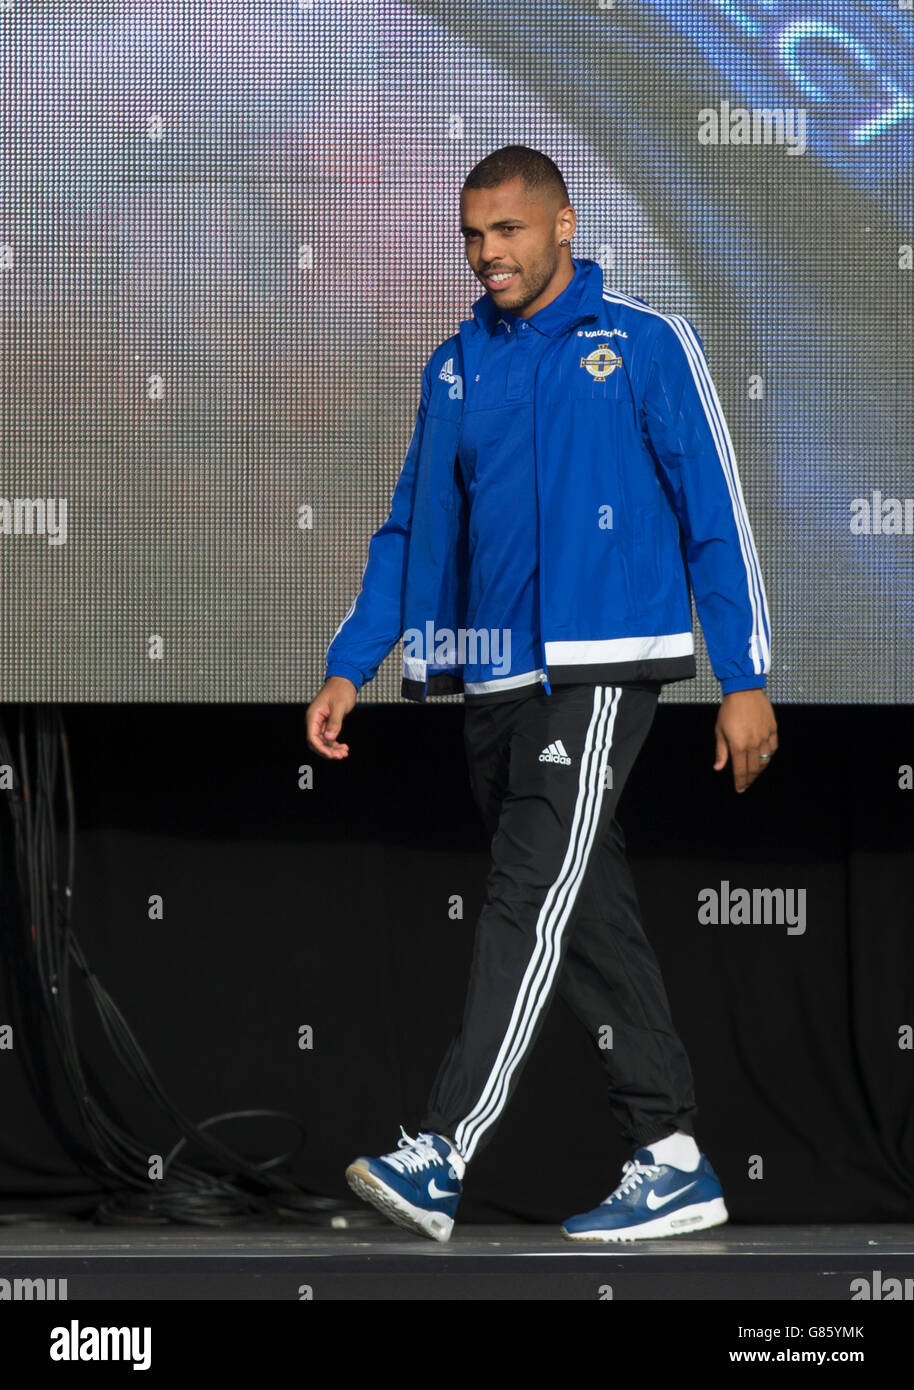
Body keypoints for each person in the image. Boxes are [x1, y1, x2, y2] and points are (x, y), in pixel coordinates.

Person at [305, 144, 777, 1243]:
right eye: (471, 236)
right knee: (584, 910)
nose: (486, 256)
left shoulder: (644, 344)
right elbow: (412, 524)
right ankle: (668, 1153)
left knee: (523, 895)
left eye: (505, 232)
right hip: (491, 675)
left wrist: (745, 677)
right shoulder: (457, 363)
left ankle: (443, 1148)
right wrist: (351, 658)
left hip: (601, 670)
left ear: (563, 226)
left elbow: (715, 509)